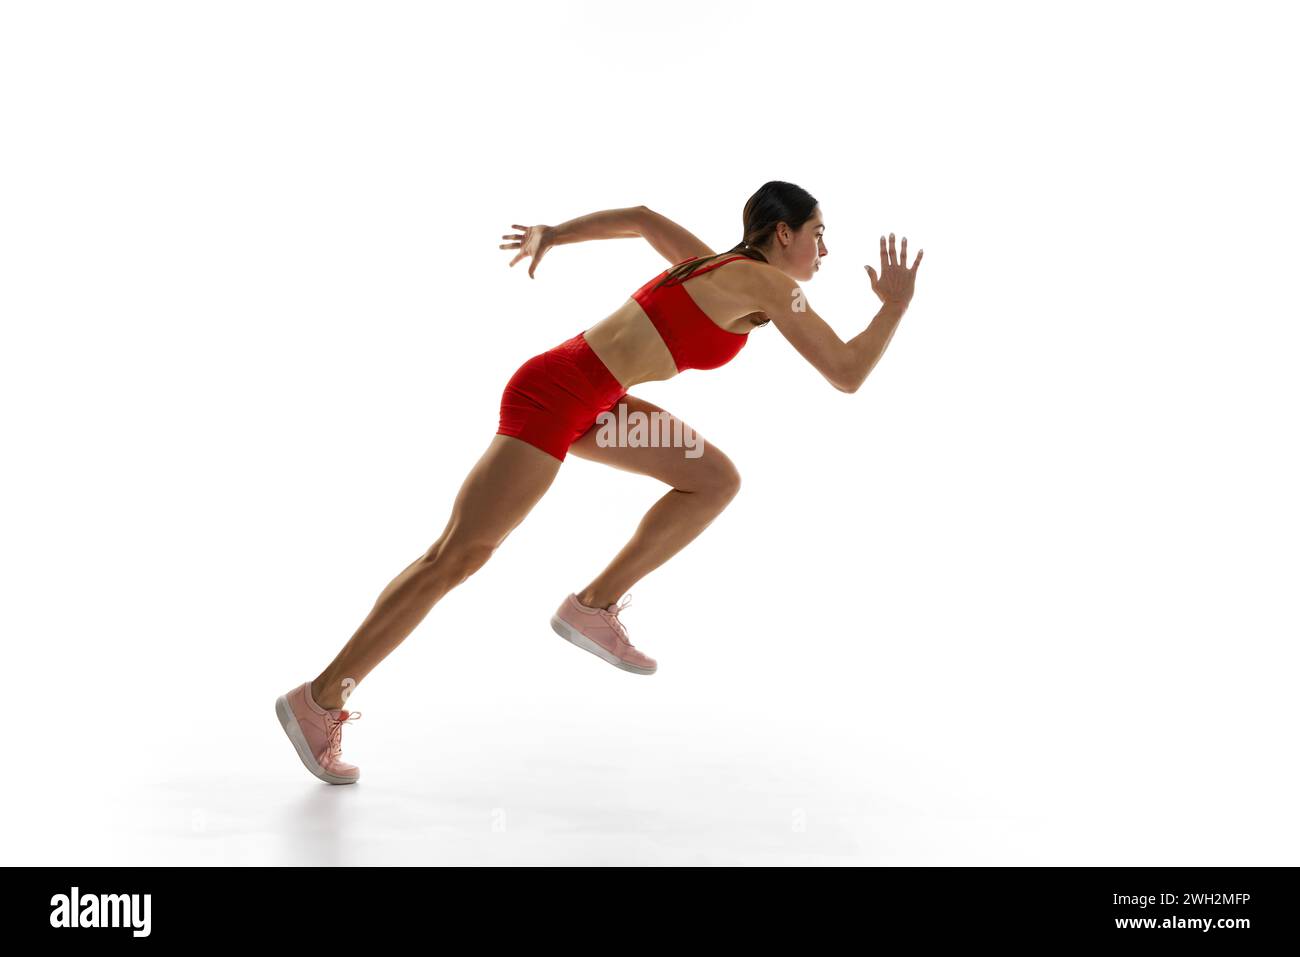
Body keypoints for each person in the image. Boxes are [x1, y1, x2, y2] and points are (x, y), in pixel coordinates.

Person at [275, 181, 923, 783]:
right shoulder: (770, 286)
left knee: (713, 479)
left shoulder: (715, 267)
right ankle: (320, 698)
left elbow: (640, 218)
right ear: (782, 233)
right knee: (455, 558)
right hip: (557, 396)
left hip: (597, 405)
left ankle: (591, 606)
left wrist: (555, 234)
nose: (824, 247)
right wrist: (894, 308)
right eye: (818, 231)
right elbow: (846, 369)